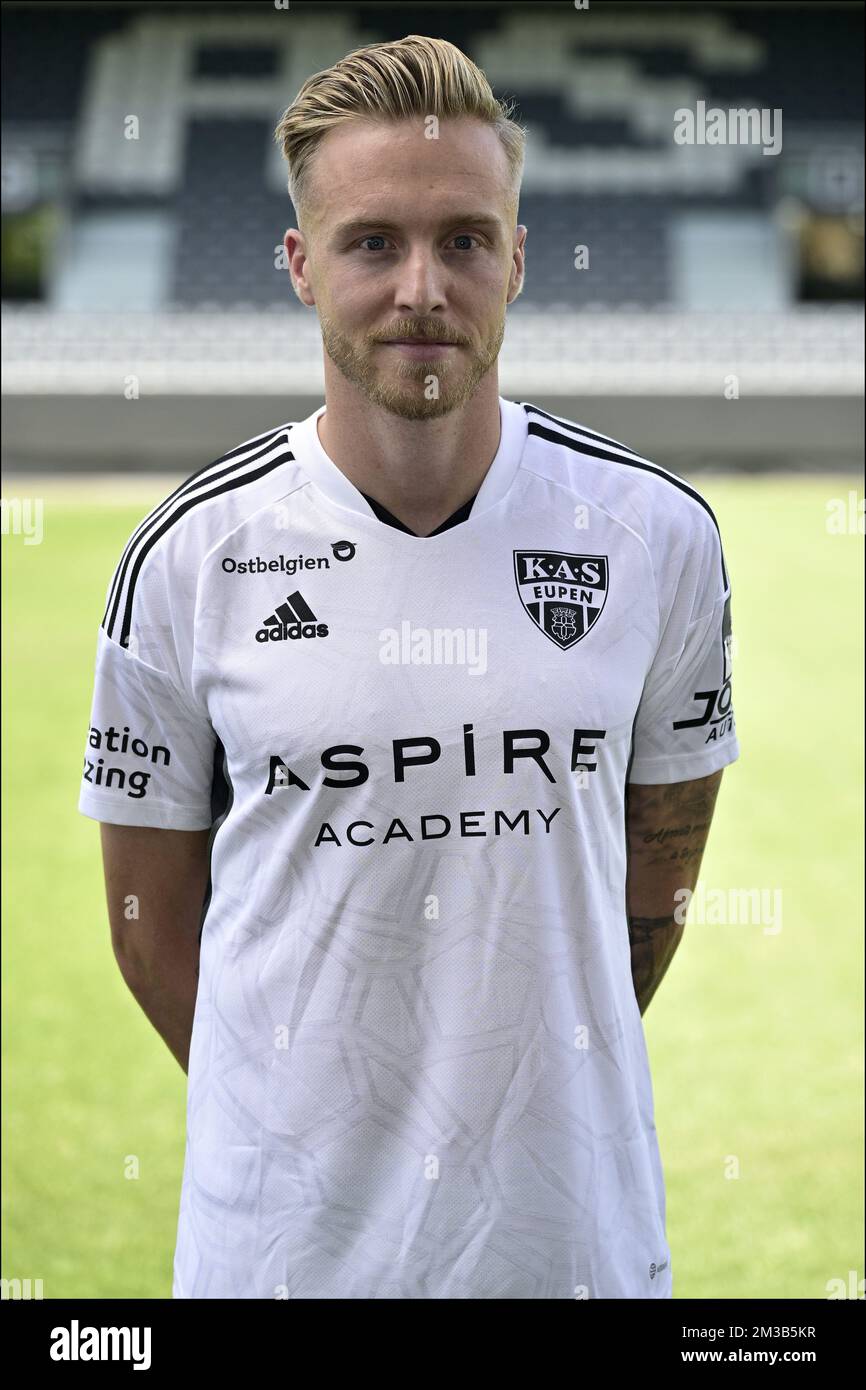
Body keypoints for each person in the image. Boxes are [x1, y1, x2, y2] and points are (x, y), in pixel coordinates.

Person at [78, 34, 740, 1299]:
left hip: (570, 1253)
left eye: (466, 240)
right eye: (372, 241)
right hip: (279, 1259)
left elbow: (655, 888)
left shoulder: (656, 538)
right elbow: (147, 925)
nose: (423, 287)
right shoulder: (189, 557)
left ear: (519, 259)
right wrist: (296, 1110)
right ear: (298, 264)